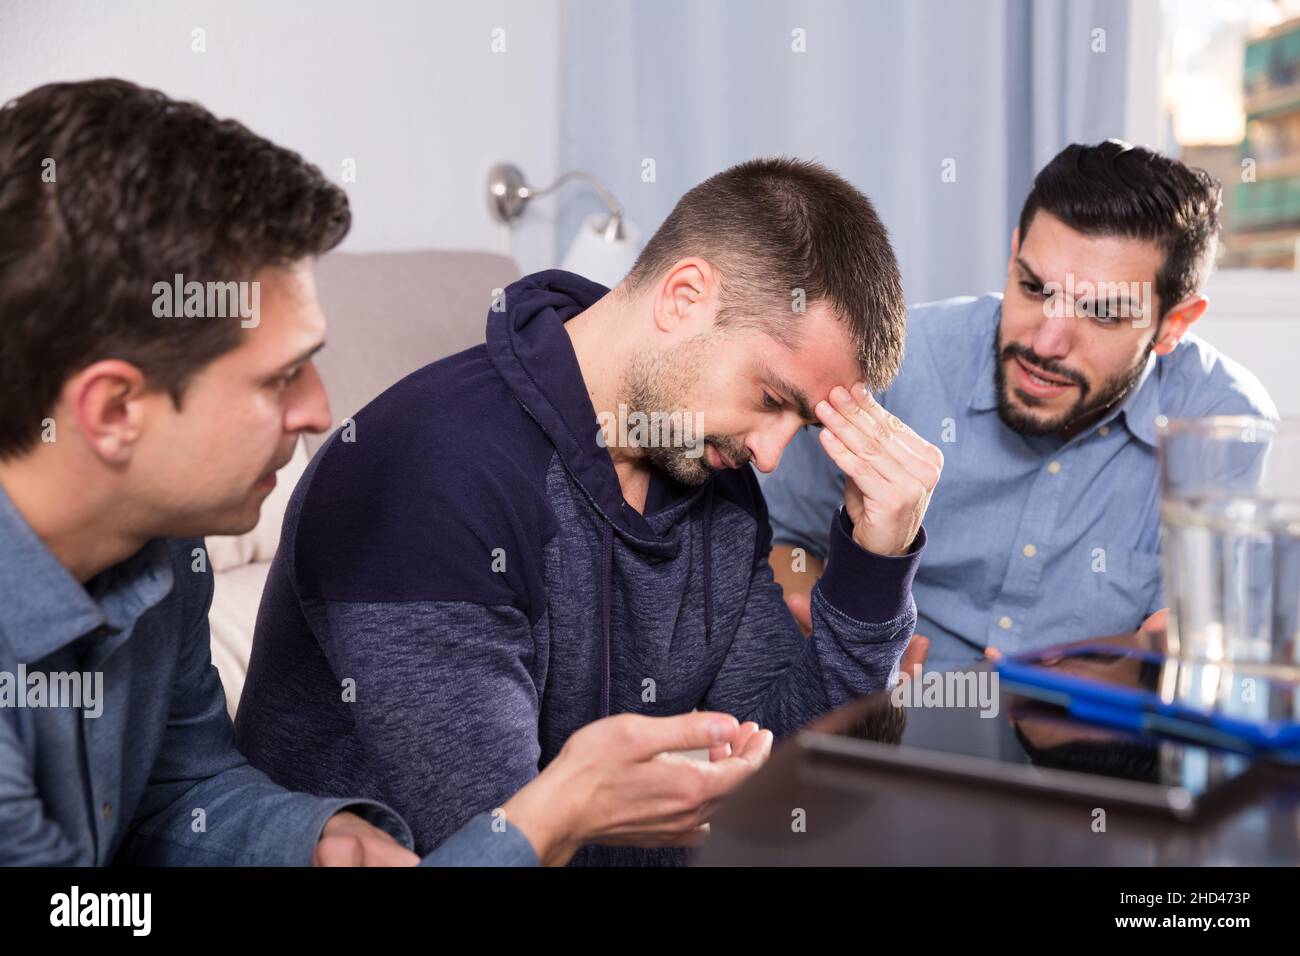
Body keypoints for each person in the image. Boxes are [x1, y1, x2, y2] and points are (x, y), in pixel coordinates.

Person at [0, 78, 770, 867]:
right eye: (280, 377)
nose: (317, 412)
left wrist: (314, 839)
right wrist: (544, 823)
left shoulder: (167, 552)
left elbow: (183, 790)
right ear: (112, 411)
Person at [234, 157, 942, 866]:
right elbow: (503, 845)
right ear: (684, 296)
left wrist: (872, 567)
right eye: (769, 399)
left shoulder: (708, 477)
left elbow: (792, 792)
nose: (770, 456)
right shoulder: (431, 477)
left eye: (805, 425)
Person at [762, 141, 1276, 669]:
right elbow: (782, 540)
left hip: (1084, 738)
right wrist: (839, 648)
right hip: (885, 724)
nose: (1045, 344)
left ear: (1174, 325)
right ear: (1012, 257)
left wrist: (1150, 662)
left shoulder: (1220, 423)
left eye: (1102, 314)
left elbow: (1189, 635)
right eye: (1033, 287)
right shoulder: (899, 358)